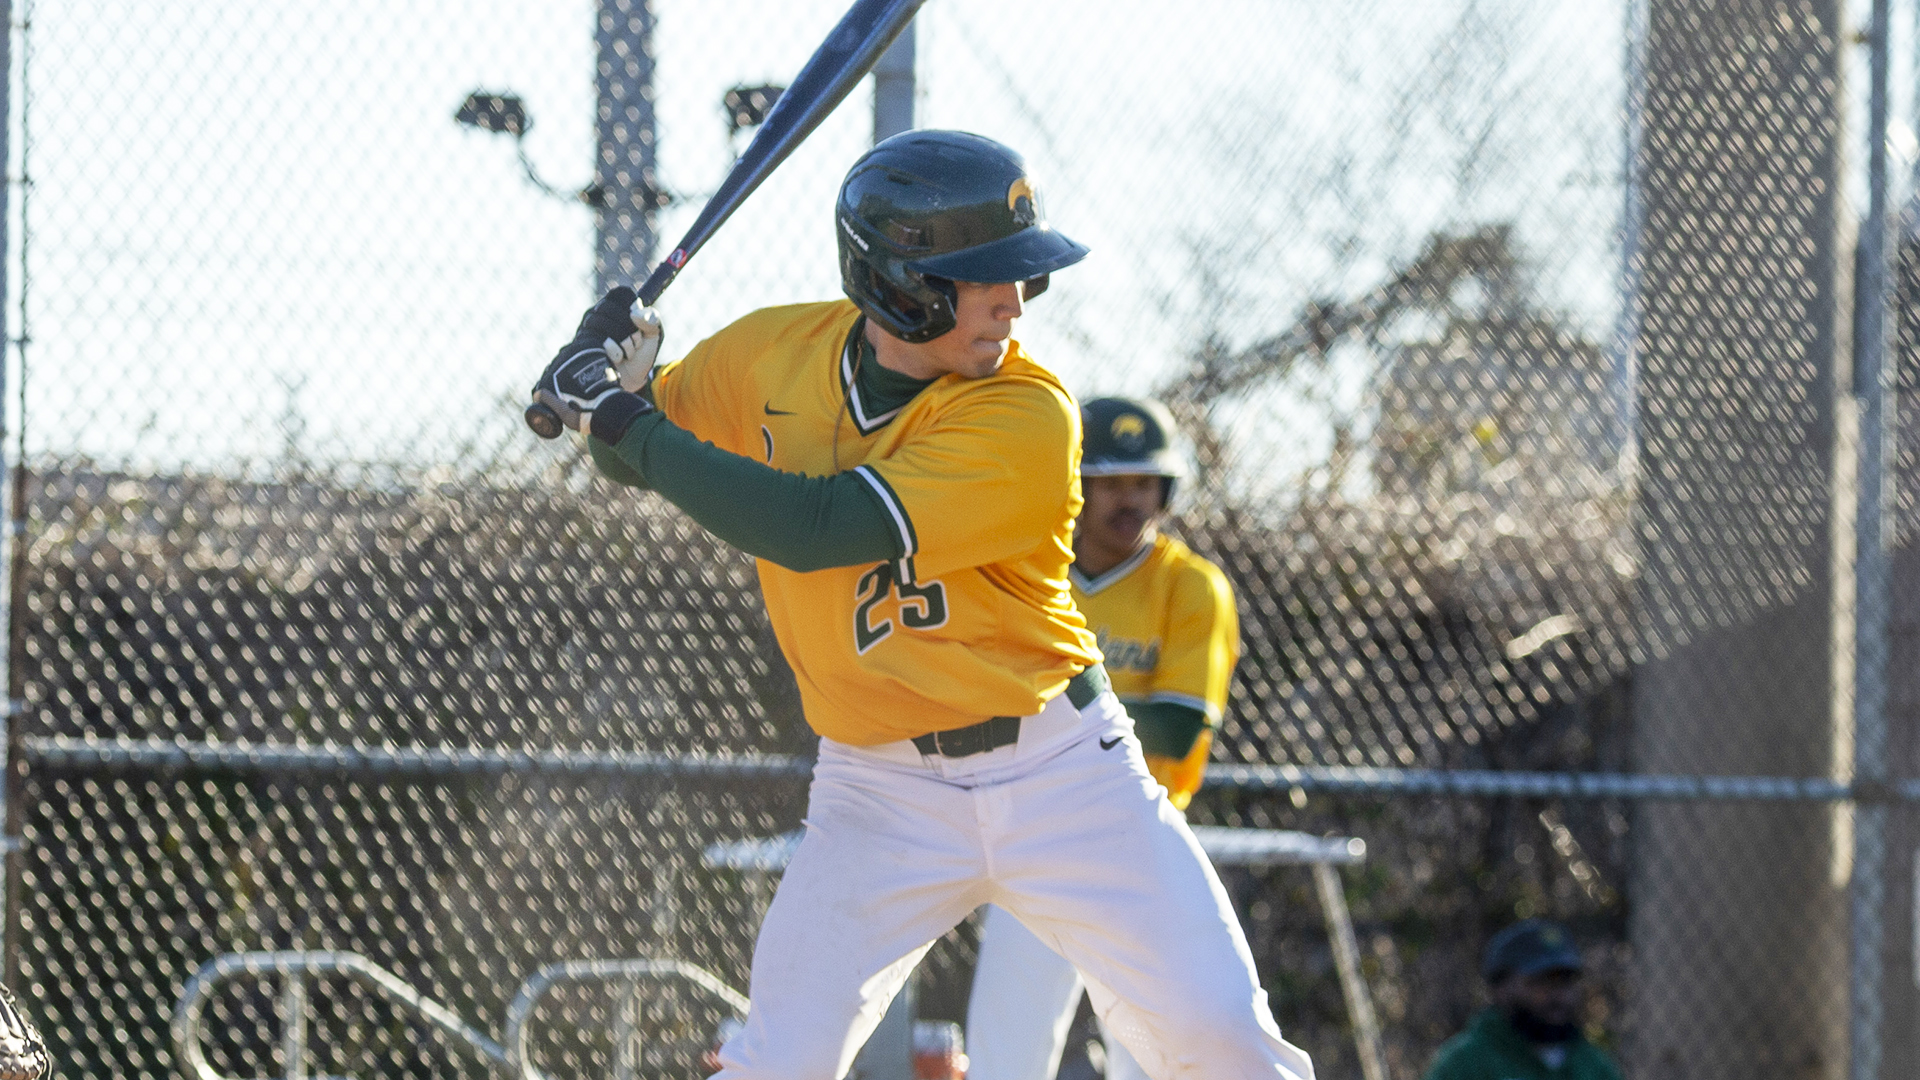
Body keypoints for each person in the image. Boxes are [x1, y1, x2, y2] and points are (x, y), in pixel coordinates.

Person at [532, 129, 1312, 1080]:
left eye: (1020, 278)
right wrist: (605, 375)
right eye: (984, 277)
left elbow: (815, 526)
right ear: (901, 284)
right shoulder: (771, 353)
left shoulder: (1027, 412)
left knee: (1228, 1046)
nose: (1012, 304)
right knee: (775, 1063)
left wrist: (620, 413)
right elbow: (630, 459)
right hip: (877, 792)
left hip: (1064, 774)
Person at [965, 396, 1238, 1080]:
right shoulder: (1029, 573)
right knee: (1005, 1054)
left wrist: (1040, 709)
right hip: (1031, 835)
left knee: (1150, 1058)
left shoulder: (1190, 586)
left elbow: (1177, 726)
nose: (1129, 500)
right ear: (1075, 487)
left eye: (1144, 482)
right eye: (1110, 482)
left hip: (1134, 841)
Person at [1421, 919, 1620, 1080]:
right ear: (1501, 988)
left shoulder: (1593, 1065)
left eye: (1566, 982)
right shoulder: (1466, 1063)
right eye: (1542, 982)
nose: (1559, 995)